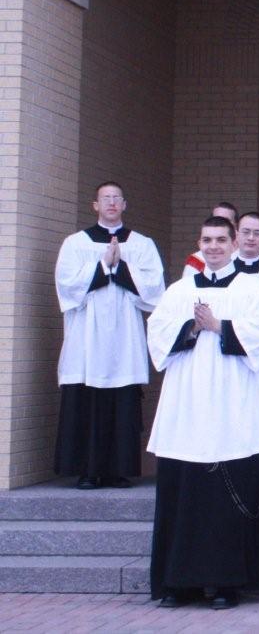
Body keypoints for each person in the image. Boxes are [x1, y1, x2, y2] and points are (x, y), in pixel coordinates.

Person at [145, 216, 259, 609]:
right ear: (198, 243)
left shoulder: (253, 289)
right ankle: (178, 583)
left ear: (235, 242)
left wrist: (220, 326)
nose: (214, 246)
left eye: (222, 239)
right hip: (186, 407)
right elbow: (157, 334)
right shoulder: (179, 289)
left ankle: (225, 583)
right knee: (183, 497)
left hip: (231, 405)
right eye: (207, 239)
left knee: (224, 502)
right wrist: (190, 327)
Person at [53, 182, 165, 489]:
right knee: (88, 402)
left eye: (117, 198)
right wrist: (104, 265)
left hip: (124, 339)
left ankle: (118, 470)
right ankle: (88, 471)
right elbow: (67, 285)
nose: (112, 203)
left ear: (125, 205)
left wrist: (122, 266)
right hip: (86, 340)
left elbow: (155, 290)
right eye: (106, 198)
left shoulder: (141, 244)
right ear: (95, 205)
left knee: (121, 403)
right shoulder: (76, 243)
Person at [181, 202, 237, 276]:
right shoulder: (196, 261)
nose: (220, 223)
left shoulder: (245, 257)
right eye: (216, 219)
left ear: (236, 225)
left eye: (226, 220)